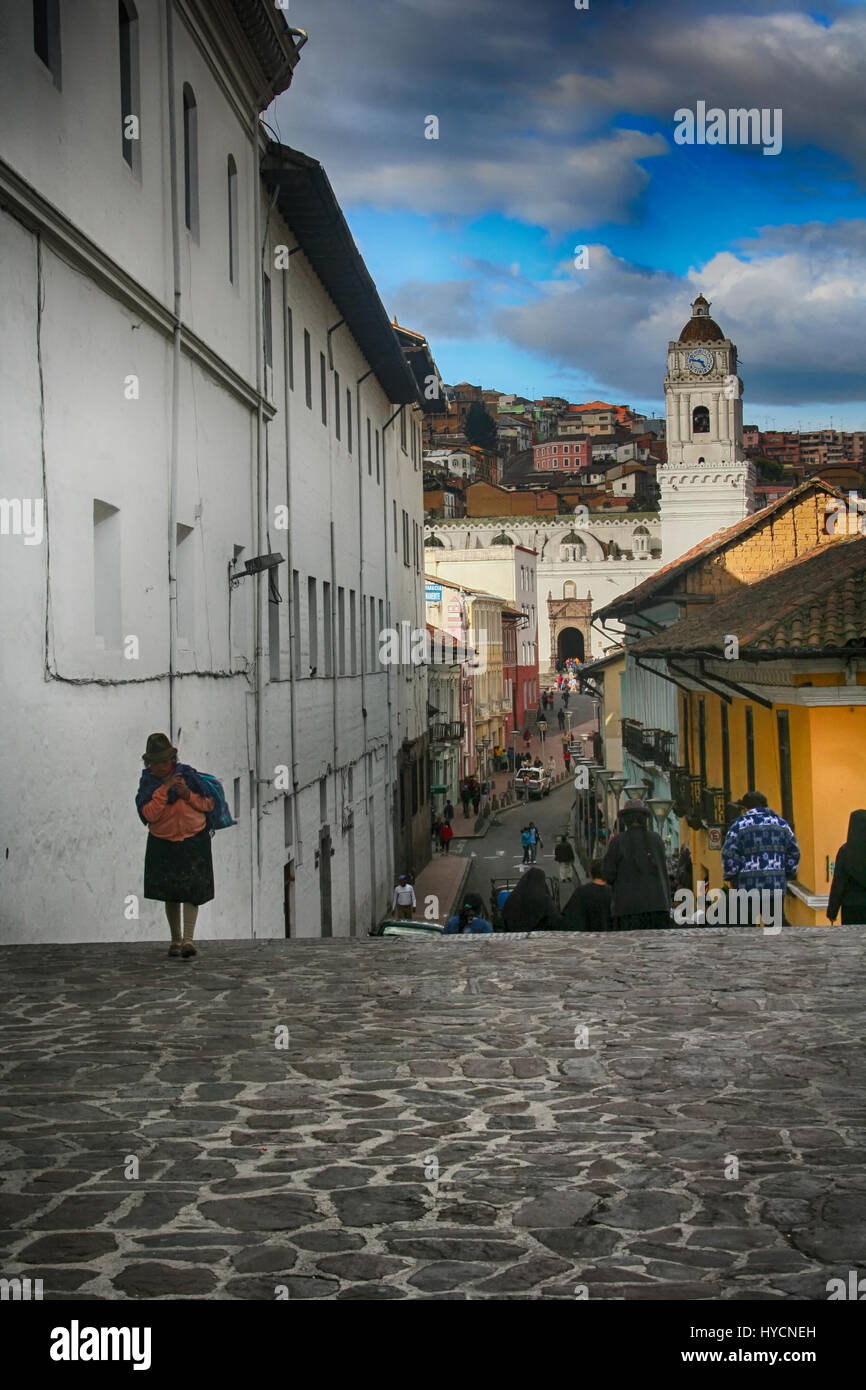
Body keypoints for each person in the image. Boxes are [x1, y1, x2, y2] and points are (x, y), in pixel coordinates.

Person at [136, 732, 216, 959]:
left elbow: (208, 803)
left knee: (193, 892)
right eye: (156, 762)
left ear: (172, 759)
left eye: (165, 761)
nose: (161, 766)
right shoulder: (149, 785)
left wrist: (187, 794)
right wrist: (165, 789)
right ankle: (175, 940)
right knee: (171, 893)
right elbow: (149, 814)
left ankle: (188, 941)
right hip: (164, 843)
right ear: (148, 763)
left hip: (194, 839)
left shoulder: (188, 777)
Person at [721, 790, 800, 926]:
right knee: (775, 927)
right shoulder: (781, 824)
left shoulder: (738, 826)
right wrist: (784, 873)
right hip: (775, 885)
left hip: (747, 887)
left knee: (746, 928)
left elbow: (728, 853)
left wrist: (732, 876)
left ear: (745, 808)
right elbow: (794, 852)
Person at [602, 800, 671, 930]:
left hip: (627, 909)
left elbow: (608, 874)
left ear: (625, 820)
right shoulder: (656, 839)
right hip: (657, 907)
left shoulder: (618, 842)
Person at [827, 810, 866, 925]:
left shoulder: (845, 852)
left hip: (851, 908)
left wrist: (832, 911)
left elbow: (839, 883)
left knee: (852, 941)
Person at [502, 867, 563, 932]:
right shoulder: (544, 900)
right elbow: (555, 921)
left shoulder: (512, 898)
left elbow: (504, 920)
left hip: (514, 935)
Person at [560, 859, 613, 931]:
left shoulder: (581, 892)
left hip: (586, 937)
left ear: (591, 874)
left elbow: (568, 916)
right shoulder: (613, 893)